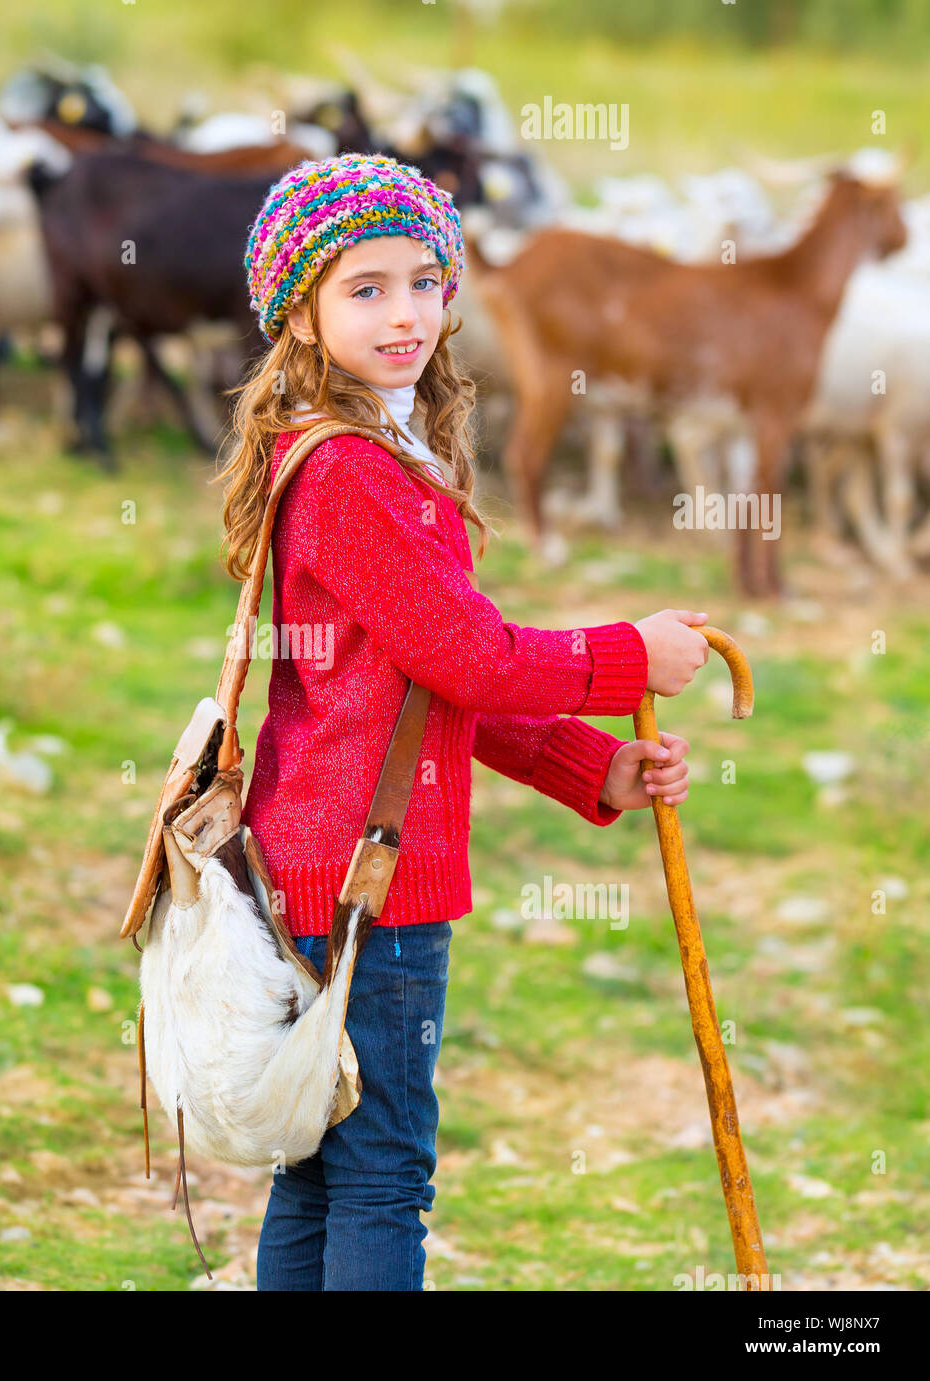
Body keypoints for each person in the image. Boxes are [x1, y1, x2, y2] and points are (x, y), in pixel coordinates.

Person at [215, 153, 710, 1291]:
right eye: (365, 288)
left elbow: (424, 685)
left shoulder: (373, 451)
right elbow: (473, 659)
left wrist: (593, 768)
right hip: (369, 880)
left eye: (426, 280)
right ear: (301, 310)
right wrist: (629, 654)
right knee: (382, 1169)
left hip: (315, 859)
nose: (406, 313)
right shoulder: (351, 474)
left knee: (320, 1160)